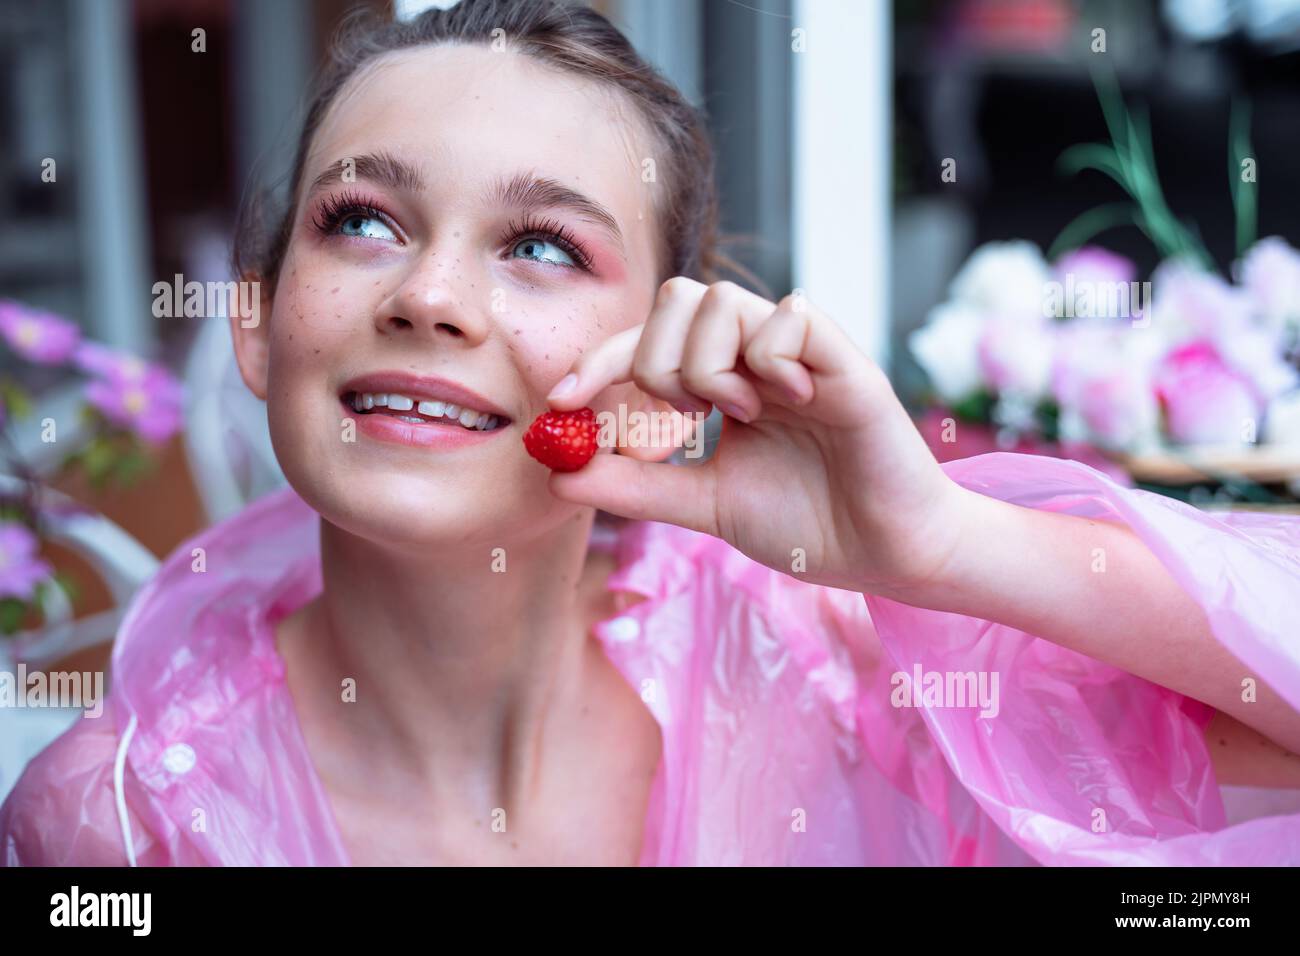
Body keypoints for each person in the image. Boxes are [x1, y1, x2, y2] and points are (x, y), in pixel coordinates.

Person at [4, 0, 1300, 866]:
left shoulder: (829, 675)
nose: (430, 297)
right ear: (256, 317)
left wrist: (933, 540)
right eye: (362, 222)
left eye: (540, 247)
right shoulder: (116, 819)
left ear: (658, 360)